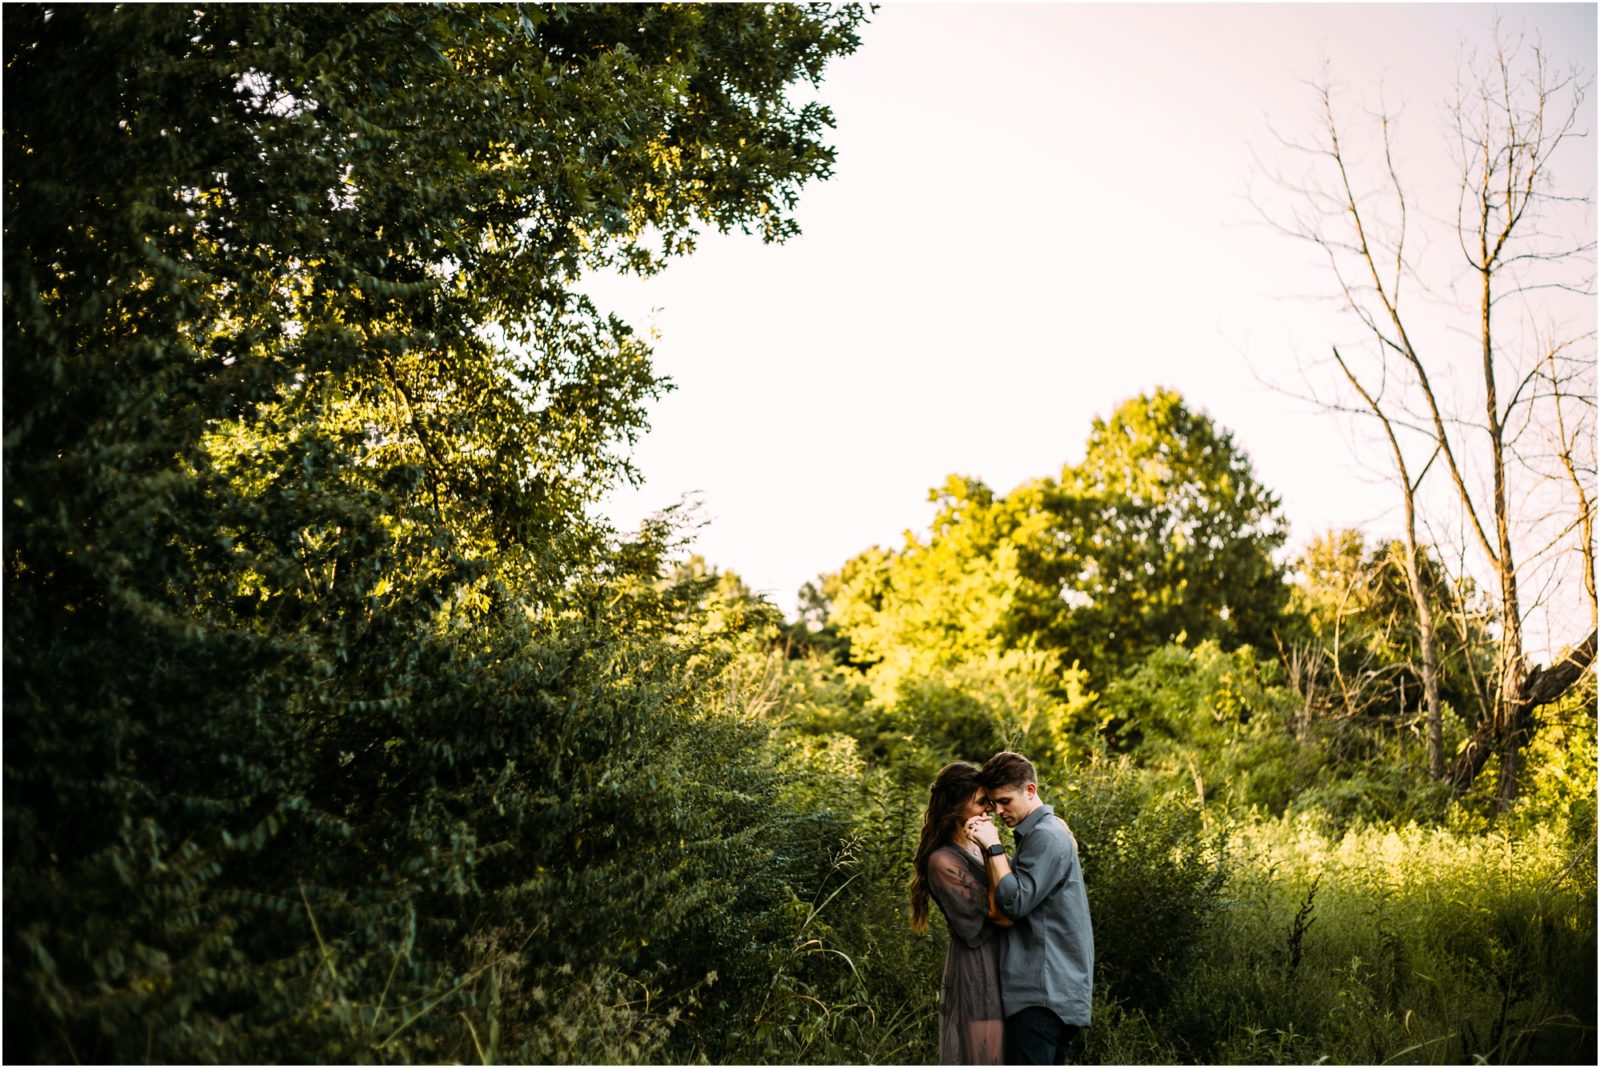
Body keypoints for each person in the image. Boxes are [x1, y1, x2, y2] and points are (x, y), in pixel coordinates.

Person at [968, 751, 1093, 1065]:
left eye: (1005, 801)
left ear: (1030, 791)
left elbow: (1015, 903)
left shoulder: (1046, 836)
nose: (998, 811)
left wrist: (993, 846)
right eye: (993, 803)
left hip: (1041, 996)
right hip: (1050, 997)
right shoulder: (1044, 833)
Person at [911, 761, 1015, 1065]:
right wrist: (989, 850)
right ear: (957, 805)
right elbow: (1002, 914)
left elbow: (1016, 889)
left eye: (991, 803)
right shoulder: (943, 861)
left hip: (1009, 964)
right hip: (979, 971)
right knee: (986, 1058)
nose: (989, 811)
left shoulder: (978, 846)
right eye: (982, 802)